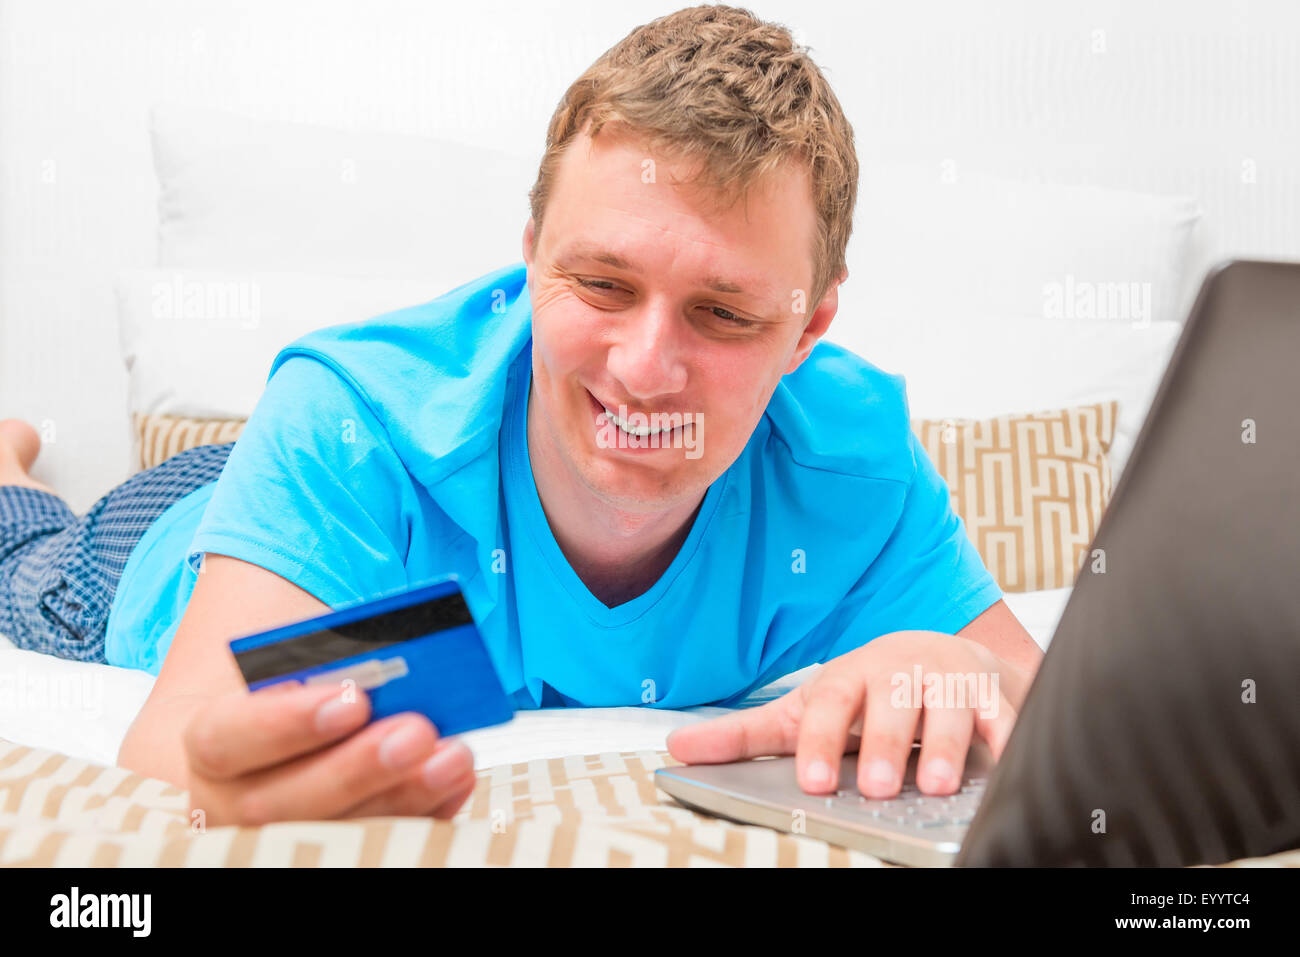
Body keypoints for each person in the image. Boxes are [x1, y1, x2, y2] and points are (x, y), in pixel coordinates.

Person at [0, 5, 1042, 827]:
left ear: (807, 330)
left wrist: (960, 664)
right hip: (154, 550)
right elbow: (172, 735)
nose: (645, 371)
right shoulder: (347, 423)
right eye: (598, 284)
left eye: (722, 314)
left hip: (324, 508)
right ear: (530, 255)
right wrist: (223, 767)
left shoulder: (853, 466)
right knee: (22, 548)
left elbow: (1045, 694)